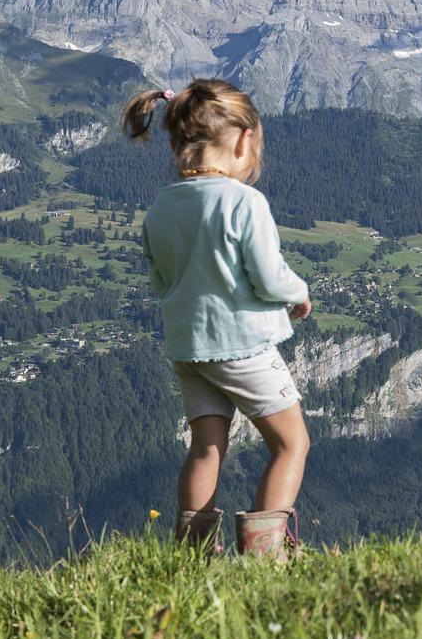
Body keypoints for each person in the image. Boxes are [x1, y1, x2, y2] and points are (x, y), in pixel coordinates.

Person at [123, 79, 312, 561]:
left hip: (188, 348)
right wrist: (299, 293)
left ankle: (192, 559)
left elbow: (162, 281)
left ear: (175, 142)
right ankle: (265, 560)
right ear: (245, 139)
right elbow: (269, 277)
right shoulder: (244, 202)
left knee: (206, 449)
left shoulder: (160, 207)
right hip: (242, 346)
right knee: (291, 444)